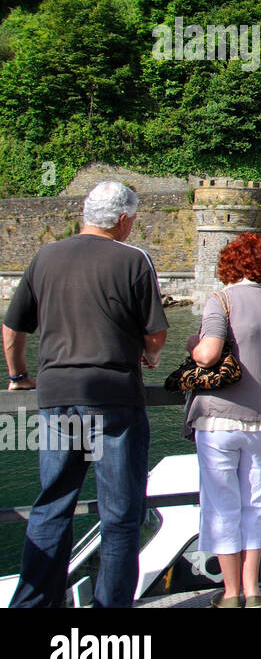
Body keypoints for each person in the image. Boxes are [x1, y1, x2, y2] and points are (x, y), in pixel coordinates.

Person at [2, 181, 169, 608]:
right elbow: (156, 333)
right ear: (125, 218)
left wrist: (19, 374)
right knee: (120, 515)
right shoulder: (134, 259)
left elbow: (12, 329)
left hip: (56, 396)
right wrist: (149, 357)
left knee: (52, 505)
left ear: (86, 212)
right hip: (113, 397)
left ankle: (33, 605)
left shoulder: (45, 256)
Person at [186, 232, 261, 608]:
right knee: (256, 504)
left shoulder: (222, 299)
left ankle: (230, 595)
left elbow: (209, 354)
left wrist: (193, 347)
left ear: (230, 263)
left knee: (222, 505)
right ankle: (253, 590)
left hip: (219, 420)